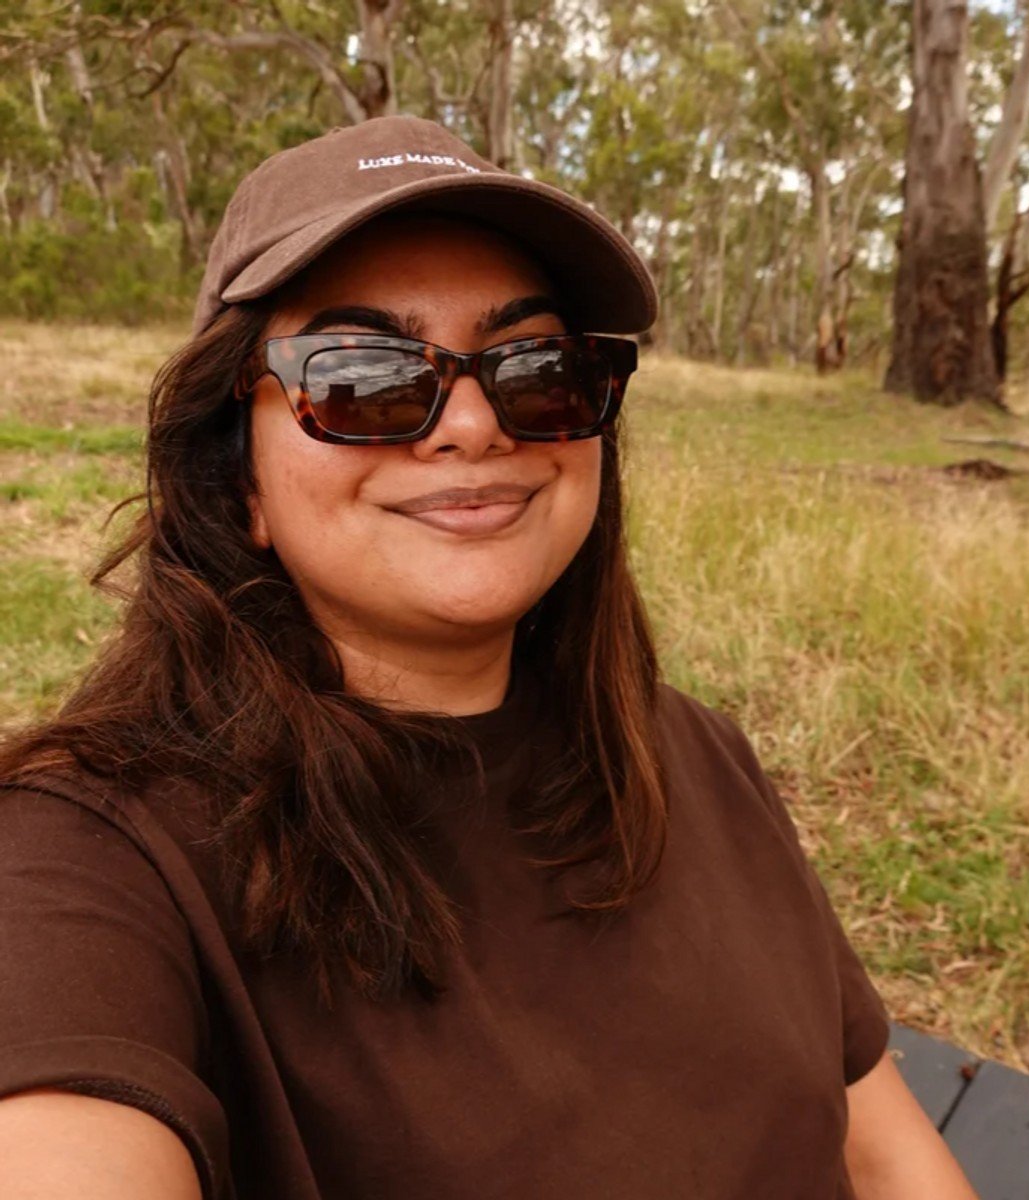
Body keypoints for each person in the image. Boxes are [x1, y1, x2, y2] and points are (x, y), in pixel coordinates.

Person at [0, 116, 978, 1200]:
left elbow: (879, 1146)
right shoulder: (89, 858)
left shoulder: (696, 753)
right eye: (363, 375)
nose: (472, 425)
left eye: (538, 368)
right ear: (237, 479)